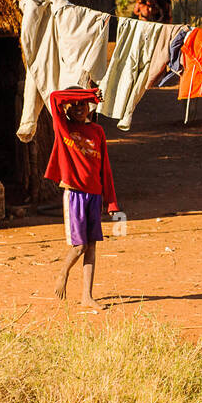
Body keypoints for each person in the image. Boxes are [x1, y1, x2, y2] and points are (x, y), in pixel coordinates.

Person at [45, 87, 120, 310]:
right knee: (79, 246)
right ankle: (63, 272)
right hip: (75, 193)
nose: (79, 109)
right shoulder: (64, 129)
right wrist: (90, 93)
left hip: (95, 194)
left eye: (83, 104)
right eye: (74, 105)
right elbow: (54, 97)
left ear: (90, 107)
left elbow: (105, 168)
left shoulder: (97, 131)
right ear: (66, 109)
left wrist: (111, 201)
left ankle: (87, 296)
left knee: (92, 246)